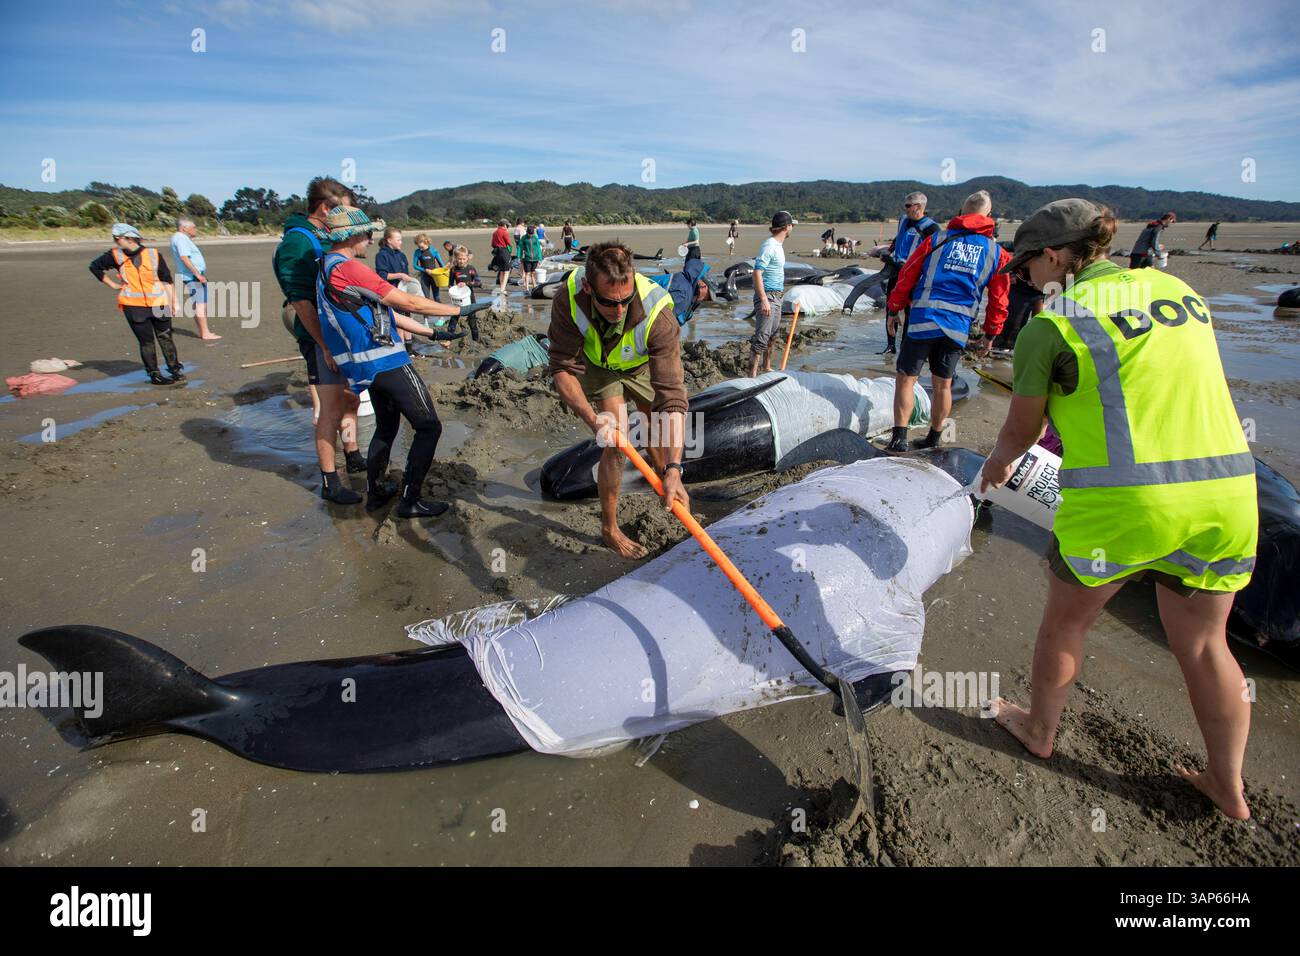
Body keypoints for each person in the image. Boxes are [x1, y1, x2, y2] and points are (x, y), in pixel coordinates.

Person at [978, 199, 1258, 820]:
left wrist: (996, 467)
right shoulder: (1178, 289)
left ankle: (1038, 731)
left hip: (1123, 505)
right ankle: (1227, 784)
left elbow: (1023, 431)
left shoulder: (1051, 324)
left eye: (1025, 266)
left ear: (1054, 256)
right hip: (1227, 495)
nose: (1021, 278)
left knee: (1066, 623)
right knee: (1209, 645)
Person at [315, 206, 490, 518]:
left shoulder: (326, 267)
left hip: (362, 365)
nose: (370, 241)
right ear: (352, 235)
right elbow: (407, 301)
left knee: (387, 425)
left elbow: (381, 313)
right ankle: (410, 500)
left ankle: (377, 490)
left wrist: (430, 333)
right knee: (429, 426)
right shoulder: (349, 268)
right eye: (367, 235)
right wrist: (457, 311)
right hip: (385, 360)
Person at [547, 241, 689, 558]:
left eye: (626, 301)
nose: (620, 311)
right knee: (617, 439)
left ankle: (665, 479)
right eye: (610, 303)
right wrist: (591, 417)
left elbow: (673, 398)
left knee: (656, 425)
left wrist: (676, 468)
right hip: (599, 366)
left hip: (639, 364)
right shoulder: (568, 298)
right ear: (588, 287)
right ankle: (610, 529)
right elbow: (561, 367)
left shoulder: (658, 313)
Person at [885, 189, 1010, 451]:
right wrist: (990, 334)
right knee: (944, 385)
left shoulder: (937, 239)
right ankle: (933, 437)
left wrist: (894, 307)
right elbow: (1000, 299)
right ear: (988, 216)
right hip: (957, 327)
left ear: (962, 212)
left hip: (923, 321)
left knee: (907, 379)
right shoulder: (996, 253)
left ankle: (899, 439)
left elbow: (908, 274)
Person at [273, 177, 365, 502]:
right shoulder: (298, 242)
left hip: (341, 333)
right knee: (330, 408)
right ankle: (330, 482)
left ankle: (353, 455)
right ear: (325, 208)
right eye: (345, 212)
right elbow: (300, 300)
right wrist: (324, 345)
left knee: (352, 399)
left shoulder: (324, 235)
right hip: (321, 339)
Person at [89, 223, 184, 387]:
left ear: (130, 238)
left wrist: (174, 302)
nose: (116, 241)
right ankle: (154, 374)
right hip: (134, 306)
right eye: (115, 239)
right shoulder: (115, 255)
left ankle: (175, 369)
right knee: (146, 341)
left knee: (166, 337)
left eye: (118, 238)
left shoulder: (153, 254)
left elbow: (166, 280)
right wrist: (112, 285)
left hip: (159, 303)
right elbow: (95, 267)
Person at [878, 191, 940, 355]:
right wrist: (889, 252)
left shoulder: (932, 228)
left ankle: (906, 347)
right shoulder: (904, 220)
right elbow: (899, 238)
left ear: (919, 207)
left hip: (914, 277)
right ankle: (890, 345)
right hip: (895, 272)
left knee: (910, 311)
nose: (904, 209)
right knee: (891, 307)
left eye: (908, 206)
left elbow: (935, 255)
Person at [748, 211, 794, 377]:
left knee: (773, 335)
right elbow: (757, 273)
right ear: (786, 227)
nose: (792, 228)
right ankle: (751, 377)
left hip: (777, 296)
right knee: (762, 338)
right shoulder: (769, 246)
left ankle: (766, 367)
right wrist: (763, 300)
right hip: (767, 296)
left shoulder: (778, 246)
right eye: (791, 225)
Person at [170, 218, 219, 340]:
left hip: (192, 275)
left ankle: (204, 331)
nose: (195, 229)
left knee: (199, 303)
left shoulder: (180, 238)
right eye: (194, 227)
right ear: (184, 228)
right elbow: (184, 257)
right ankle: (205, 333)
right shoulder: (180, 238)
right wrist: (197, 274)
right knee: (200, 304)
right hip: (192, 276)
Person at [374, 226, 419, 343]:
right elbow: (382, 276)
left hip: (404, 291)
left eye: (401, 239)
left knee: (408, 317)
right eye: (398, 239)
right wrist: (400, 275)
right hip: (391, 292)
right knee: (399, 322)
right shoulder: (382, 255)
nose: (401, 242)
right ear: (389, 240)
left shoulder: (401, 255)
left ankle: (409, 348)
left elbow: (406, 274)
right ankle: (402, 348)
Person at [648, 256, 713, 325]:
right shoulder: (683, 294)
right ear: (703, 286)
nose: (706, 300)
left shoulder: (682, 280)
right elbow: (665, 323)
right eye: (708, 297)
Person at [447, 245, 483, 339]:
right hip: (458, 299)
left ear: (467, 258)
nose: (461, 261)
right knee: (454, 319)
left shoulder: (471, 269)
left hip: (470, 298)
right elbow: (450, 284)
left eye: (463, 259)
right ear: (456, 258)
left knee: (472, 321)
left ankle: (476, 339)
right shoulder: (453, 269)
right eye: (459, 259)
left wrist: (466, 283)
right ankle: (448, 338)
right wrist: (453, 289)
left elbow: (479, 283)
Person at [412, 234, 444, 301]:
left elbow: (441, 264)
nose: (418, 245)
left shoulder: (433, 251)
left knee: (437, 297)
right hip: (424, 277)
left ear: (426, 241)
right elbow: (415, 266)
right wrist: (425, 270)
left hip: (434, 276)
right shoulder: (417, 252)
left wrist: (444, 273)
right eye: (417, 244)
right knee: (426, 297)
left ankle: (439, 310)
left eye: (419, 243)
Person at [516, 225, 543, 293]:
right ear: (527, 232)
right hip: (527, 258)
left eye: (532, 234)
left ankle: (534, 287)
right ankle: (527, 289)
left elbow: (538, 248)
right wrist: (519, 256)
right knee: (527, 273)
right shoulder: (523, 238)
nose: (531, 235)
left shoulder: (535, 237)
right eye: (529, 234)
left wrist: (540, 258)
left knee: (533, 273)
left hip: (535, 258)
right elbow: (520, 247)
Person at [490, 219, 512, 291]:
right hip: (504, 251)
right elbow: (509, 243)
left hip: (497, 252)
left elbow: (492, 244)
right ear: (505, 225)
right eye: (507, 225)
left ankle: (501, 287)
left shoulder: (495, 233)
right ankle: (503, 288)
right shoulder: (504, 232)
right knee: (506, 271)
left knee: (501, 270)